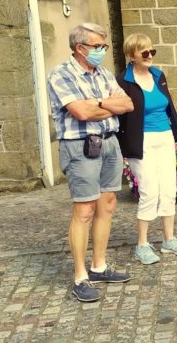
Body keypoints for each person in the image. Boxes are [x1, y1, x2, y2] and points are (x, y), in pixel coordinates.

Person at [47, 23, 134, 302]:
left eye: (104, 46)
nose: (102, 51)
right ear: (79, 48)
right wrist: (105, 104)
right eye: (98, 46)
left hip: (109, 142)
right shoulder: (61, 75)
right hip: (80, 146)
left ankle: (99, 266)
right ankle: (80, 277)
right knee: (83, 210)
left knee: (107, 204)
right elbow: (80, 112)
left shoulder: (104, 73)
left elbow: (128, 105)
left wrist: (97, 102)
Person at [117, 33, 177, 265]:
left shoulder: (158, 76)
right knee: (149, 190)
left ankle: (169, 239)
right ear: (131, 56)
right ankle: (142, 244)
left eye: (152, 51)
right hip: (141, 140)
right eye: (144, 52)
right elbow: (120, 114)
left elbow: (168, 107)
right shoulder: (123, 81)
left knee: (168, 188)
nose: (150, 56)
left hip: (164, 137)